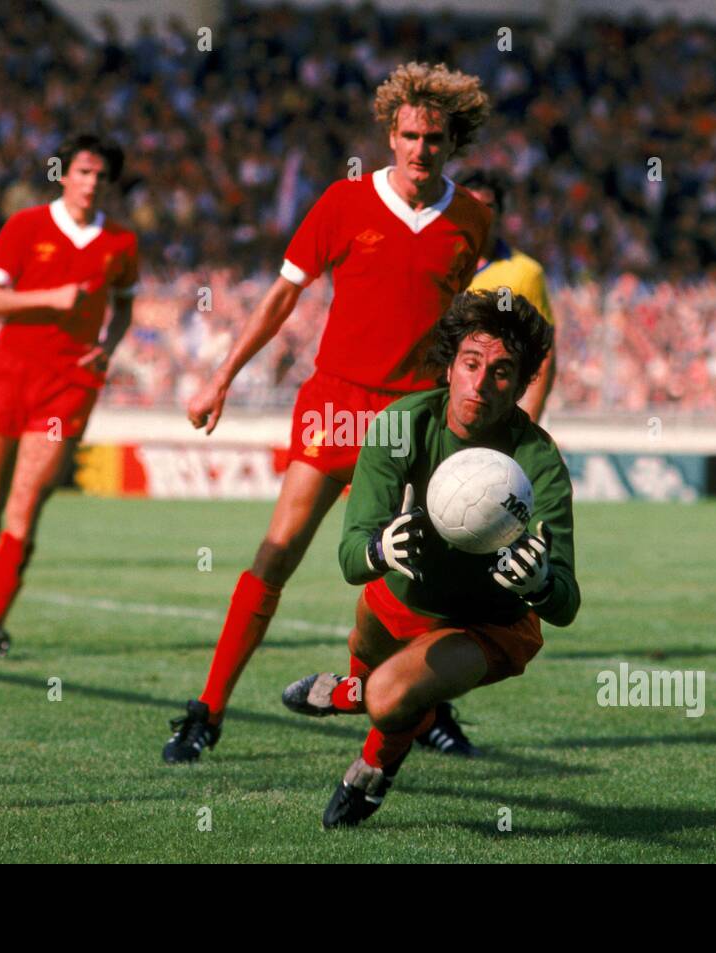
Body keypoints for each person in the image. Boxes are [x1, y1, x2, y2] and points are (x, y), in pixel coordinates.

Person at [163, 62, 493, 762]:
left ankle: (413, 704)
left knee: (408, 582)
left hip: (411, 420)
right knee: (277, 553)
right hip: (336, 404)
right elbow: (281, 298)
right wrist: (222, 376)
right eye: (407, 135)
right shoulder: (343, 202)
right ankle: (207, 709)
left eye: (433, 137)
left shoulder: (472, 219)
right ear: (389, 132)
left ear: (452, 139)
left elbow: (465, 330)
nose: (418, 149)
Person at [281, 289, 580, 828]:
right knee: (379, 674)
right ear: (449, 368)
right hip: (397, 602)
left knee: (390, 697)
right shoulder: (401, 426)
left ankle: (374, 762)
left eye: (502, 372)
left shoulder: (537, 459)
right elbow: (351, 560)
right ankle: (359, 690)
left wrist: (539, 584)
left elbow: (566, 602)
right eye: (471, 363)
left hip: (488, 625)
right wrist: (379, 548)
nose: (481, 384)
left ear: (521, 385)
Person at [0, 133, 139, 657]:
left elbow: (125, 306)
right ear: (64, 175)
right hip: (12, 372)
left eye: (101, 176)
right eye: (83, 172)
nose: (91, 184)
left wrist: (107, 345)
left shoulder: (122, 244)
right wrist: (52, 296)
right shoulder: (25, 226)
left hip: (69, 385)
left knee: (26, 502)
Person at [462, 170, 557, 422]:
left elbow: (544, 355)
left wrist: (527, 422)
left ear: (501, 214)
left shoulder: (525, 273)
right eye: (471, 206)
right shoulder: (437, 267)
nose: (480, 214)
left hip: (494, 413)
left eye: (488, 207)